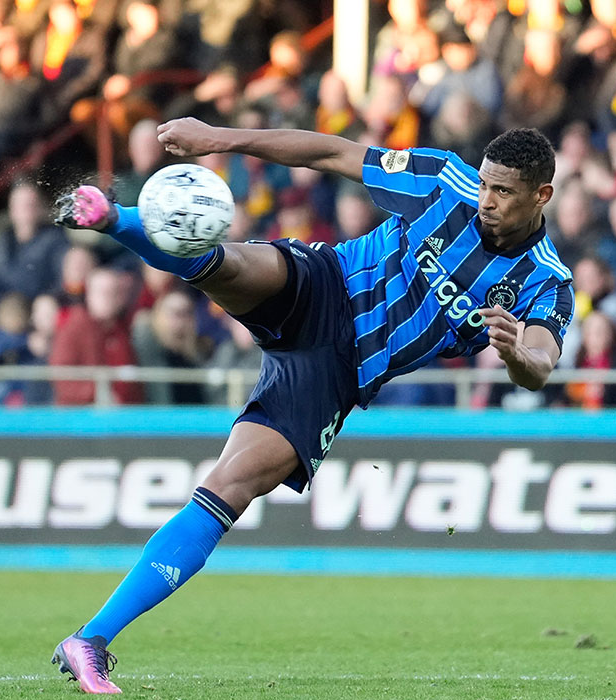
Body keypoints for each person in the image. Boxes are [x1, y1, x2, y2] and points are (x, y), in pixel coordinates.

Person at [49, 117, 574, 693]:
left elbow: (540, 367)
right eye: (485, 184)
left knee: (232, 485)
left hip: (335, 371)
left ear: (541, 195)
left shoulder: (545, 282)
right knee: (227, 266)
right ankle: (114, 218)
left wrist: (515, 352)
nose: (485, 201)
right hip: (326, 280)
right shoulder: (444, 181)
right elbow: (331, 152)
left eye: (503, 192)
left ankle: (89, 640)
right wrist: (219, 138)